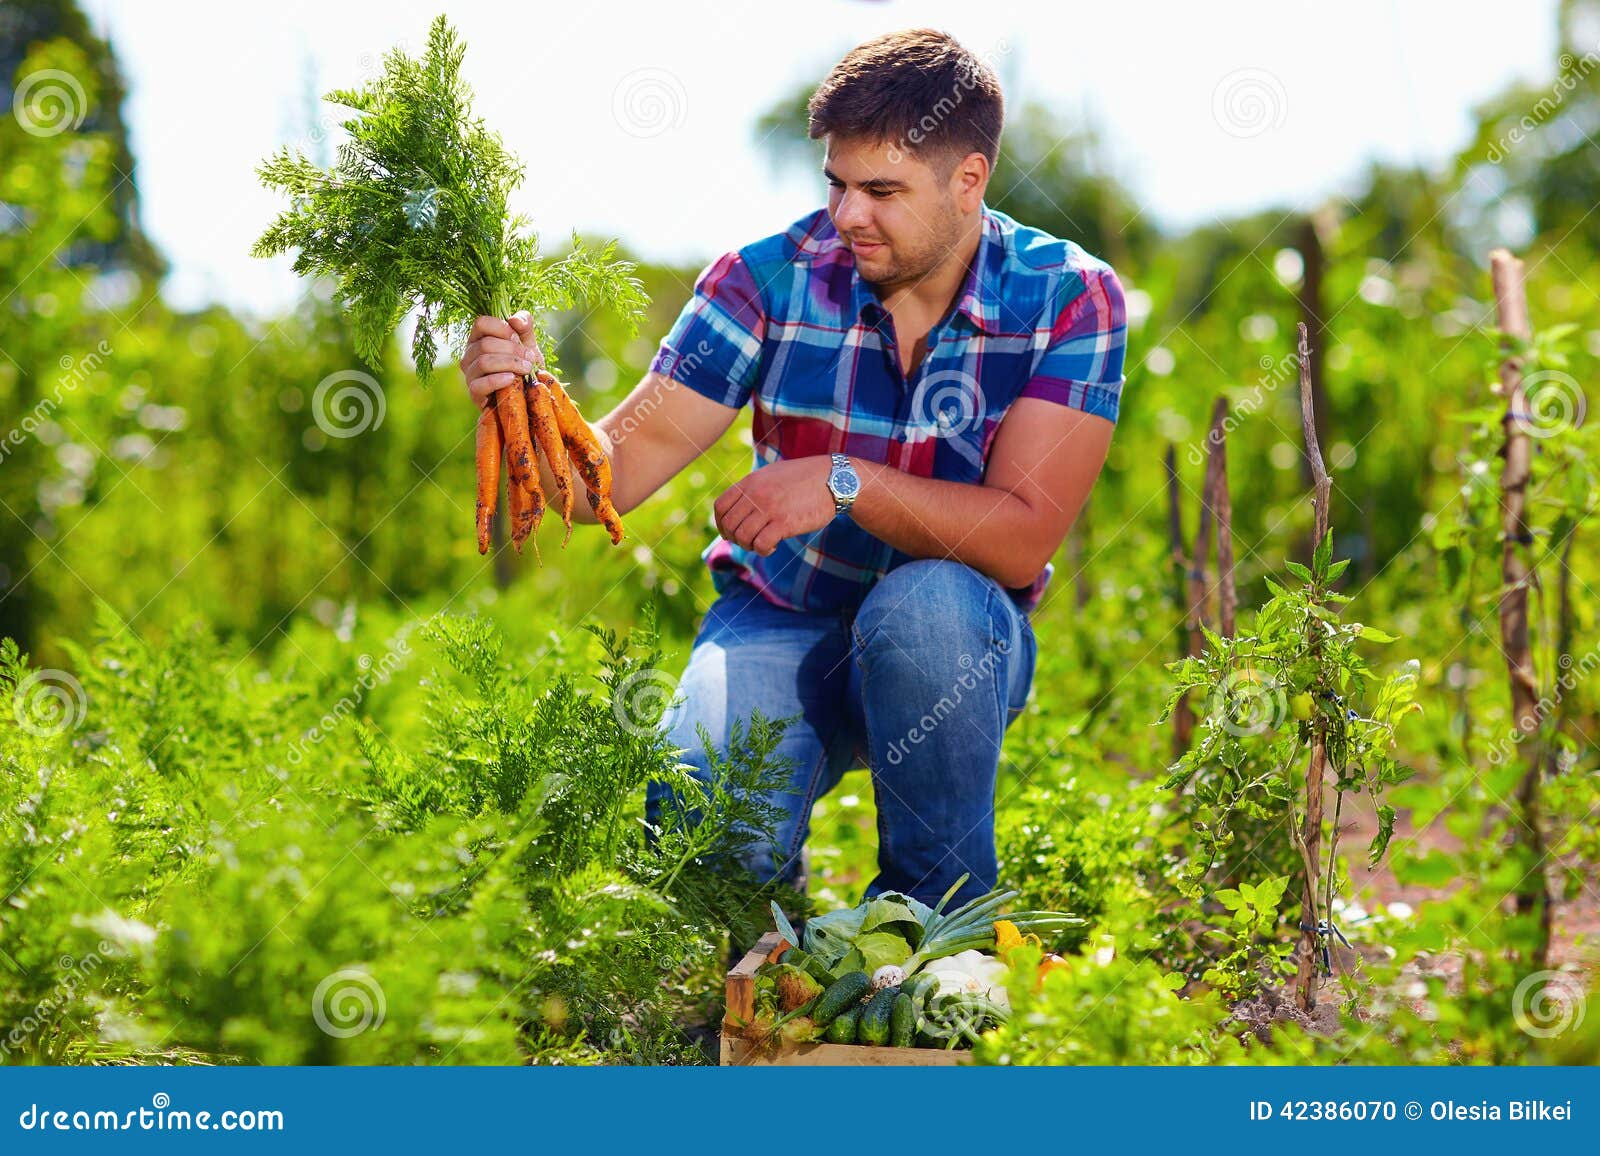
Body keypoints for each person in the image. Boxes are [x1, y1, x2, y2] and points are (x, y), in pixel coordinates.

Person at [459, 29, 1127, 909]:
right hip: (778, 614)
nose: (850, 215)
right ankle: (764, 917)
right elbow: (607, 482)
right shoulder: (766, 280)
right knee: (707, 841)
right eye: (839, 184)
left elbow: (1020, 537)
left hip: (952, 639)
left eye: (882, 191)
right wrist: (524, 401)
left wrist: (841, 481)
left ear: (969, 181)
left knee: (923, 609)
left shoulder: (1068, 298)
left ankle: (933, 921)